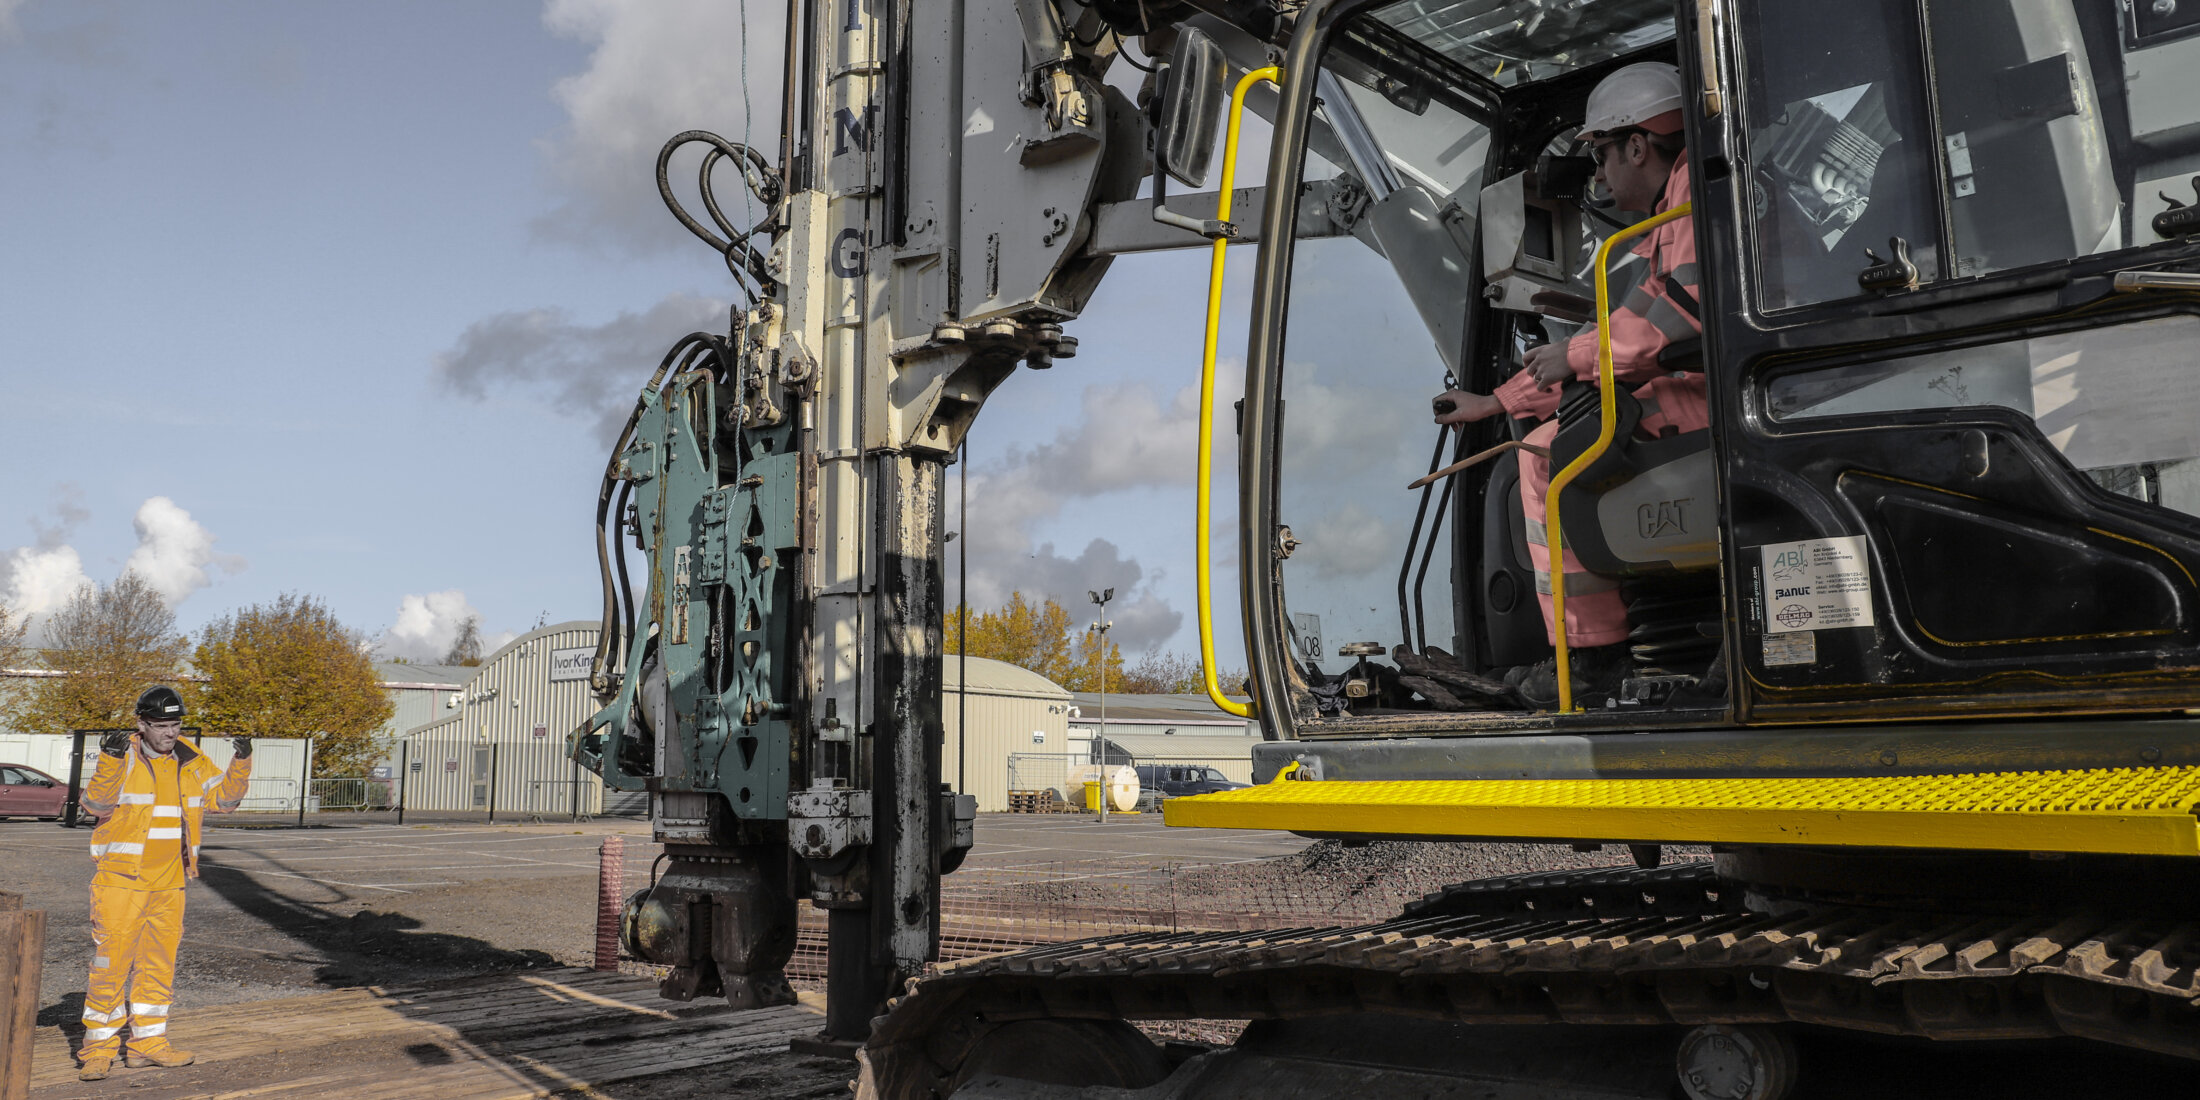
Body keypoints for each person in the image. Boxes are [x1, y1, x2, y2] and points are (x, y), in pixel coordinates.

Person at [1432, 61, 1704, 705]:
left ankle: (1591, 657)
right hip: (1702, 386)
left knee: (1548, 455)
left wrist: (1573, 359)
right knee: (1554, 433)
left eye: (1603, 157)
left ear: (1638, 145)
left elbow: (1662, 327)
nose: (1601, 178)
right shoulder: (1674, 216)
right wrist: (1497, 401)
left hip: (1710, 398)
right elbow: (1628, 347)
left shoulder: (1699, 200)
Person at [74, 686, 253, 1081]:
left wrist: (241, 761)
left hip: (170, 885)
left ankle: (147, 1045)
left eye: (175, 725)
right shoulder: (123, 758)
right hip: (121, 883)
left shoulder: (190, 761)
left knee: (158, 967)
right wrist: (109, 759)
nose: (169, 733)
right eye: (160, 726)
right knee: (110, 967)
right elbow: (97, 805)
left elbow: (223, 800)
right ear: (142, 724)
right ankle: (98, 1051)